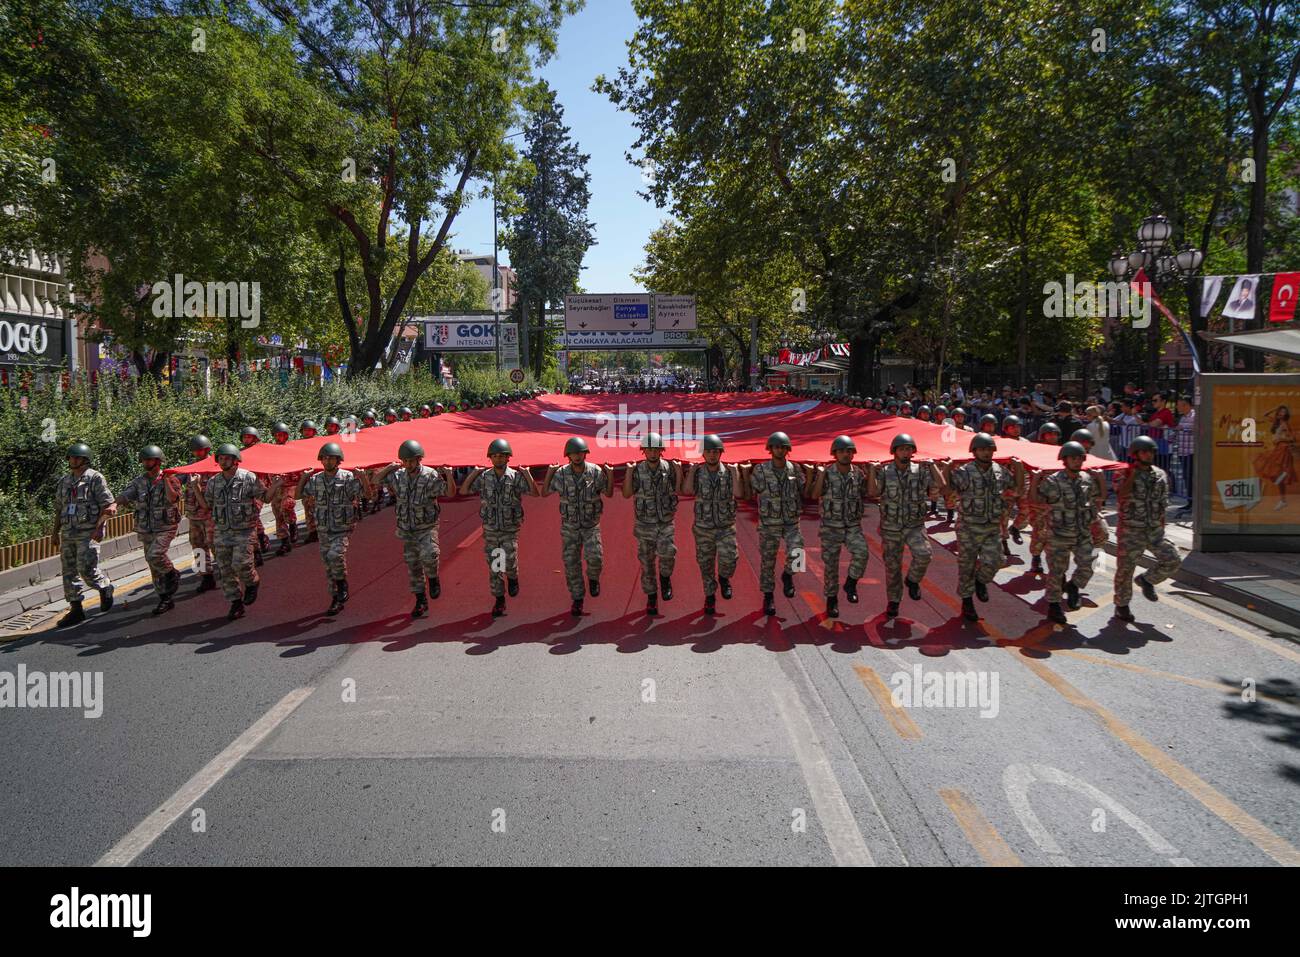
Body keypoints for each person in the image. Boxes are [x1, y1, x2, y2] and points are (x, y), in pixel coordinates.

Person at [940, 433, 1020, 622]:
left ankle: (981, 581)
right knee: (966, 566)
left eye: (989, 449)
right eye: (981, 449)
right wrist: (947, 469)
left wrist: (1018, 468)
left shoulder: (1000, 471)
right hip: (968, 527)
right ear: (974, 451)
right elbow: (945, 490)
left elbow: (1017, 489)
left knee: (997, 560)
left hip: (991, 526)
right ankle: (967, 602)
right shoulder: (964, 471)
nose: (986, 452)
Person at [459, 438, 539, 617]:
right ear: (490, 458)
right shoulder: (484, 477)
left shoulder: (516, 476)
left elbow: (534, 492)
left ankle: (512, 576)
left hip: (510, 528)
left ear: (508, 458)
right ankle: (499, 599)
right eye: (494, 456)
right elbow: (464, 490)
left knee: (509, 559)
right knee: (496, 564)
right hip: (491, 529)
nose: (498, 459)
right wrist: (474, 473)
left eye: (502, 456)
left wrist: (527, 474)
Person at [374, 440, 454, 619]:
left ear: (419, 459)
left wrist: (448, 476)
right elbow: (375, 480)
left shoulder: (430, 475)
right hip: (407, 529)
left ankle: (433, 578)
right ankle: (420, 600)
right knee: (413, 566)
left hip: (426, 526)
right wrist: (389, 468)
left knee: (430, 555)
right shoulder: (398, 475)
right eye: (405, 461)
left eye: (412, 460)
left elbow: (449, 493)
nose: (408, 464)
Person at [866, 433, 940, 619]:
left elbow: (939, 487)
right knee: (893, 567)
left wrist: (933, 467)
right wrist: (873, 471)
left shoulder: (920, 471)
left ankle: (913, 580)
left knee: (924, 554)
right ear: (894, 451)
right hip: (891, 527)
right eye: (902, 449)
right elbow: (873, 492)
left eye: (908, 449)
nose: (906, 452)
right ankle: (894, 601)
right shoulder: (884, 471)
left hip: (914, 524)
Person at [197, 443, 271, 621]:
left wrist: (275, 485)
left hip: (244, 531)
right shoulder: (214, 482)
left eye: (227, 458)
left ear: (236, 460)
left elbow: (265, 497)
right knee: (225, 570)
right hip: (222, 531)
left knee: (242, 565)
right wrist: (194, 488)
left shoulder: (248, 478)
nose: (223, 461)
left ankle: (252, 582)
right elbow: (206, 505)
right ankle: (235, 603)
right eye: (220, 458)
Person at [542, 437, 614, 617]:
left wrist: (610, 475)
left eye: (580, 452)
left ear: (585, 453)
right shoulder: (561, 474)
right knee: (571, 563)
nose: (577, 456)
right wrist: (549, 473)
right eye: (573, 453)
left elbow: (609, 492)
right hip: (570, 527)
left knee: (595, 558)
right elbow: (545, 492)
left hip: (591, 525)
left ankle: (593, 578)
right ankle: (577, 599)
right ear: (568, 455)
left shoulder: (595, 471)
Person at [1114, 435, 1182, 622]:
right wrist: (1133, 474)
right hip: (1131, 531)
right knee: (1125, 570)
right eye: (1144, 451)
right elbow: (1121, 495)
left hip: (1153, 530)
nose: (1149, 455)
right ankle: (1122, 605)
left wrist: (1161, 524)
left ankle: (1147, 580)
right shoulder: (1123, 473)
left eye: (1151, 451)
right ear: (1135, 454)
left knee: (1173, 559)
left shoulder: (1160, 475)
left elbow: (1163, 502)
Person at [1035, 441, 1101, 625]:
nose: (1077, 461)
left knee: (1090, 564)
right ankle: (1054, 605)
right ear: (1064, 460)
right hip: (1059, 535)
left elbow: (1097, 498)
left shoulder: (1087, 479)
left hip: (1082, 533)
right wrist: (1034, 480)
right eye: (1073, 458)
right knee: (1057, 571)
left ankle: (1074, 586)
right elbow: (1036, 499)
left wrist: (1100, 479)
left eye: (1080, 458)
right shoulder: (1052, 481)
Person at [52, 442, 115, 628]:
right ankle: (76, 609)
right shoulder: (64, 481)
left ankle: (104, 586)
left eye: (76, 457)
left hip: (88, 532)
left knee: (86, 568)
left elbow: (108, 505)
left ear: (85, 460)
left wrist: (99, 528)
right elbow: (59, 509)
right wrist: (54, 532)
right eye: (71, 457)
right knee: (68, 571)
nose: (72, 460)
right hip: (68, 532)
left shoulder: (95, 478)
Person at [299, 442, 366, 616]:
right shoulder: (316, 479)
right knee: (329, 565)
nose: (328, 461)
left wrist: (363, 477)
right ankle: (335, 598)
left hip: (342, 527)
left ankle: (342, 583)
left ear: (339, 460)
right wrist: (303, 478)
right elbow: (300, 494)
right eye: (325, 458)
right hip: (323, 529)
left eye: (331, 458)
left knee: (335, 555)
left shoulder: (348, 478)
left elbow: (367, 494)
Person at [807, 435, 869, 619]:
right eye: (841, 451)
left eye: (849, 451)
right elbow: (814, 494)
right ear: (835, 454)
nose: (845, 454)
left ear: (853, 454)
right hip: (831, 527)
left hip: (852, 526)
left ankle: (851, 583)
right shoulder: (826, 472)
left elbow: (869, 493)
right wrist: (820, 475)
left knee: (862, 553)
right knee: (831, 566)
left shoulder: (858, 473)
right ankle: (831, 599)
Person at [743, 431, 805, 617]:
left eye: (783, 447)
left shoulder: (795, 469)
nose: (779, 450)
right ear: (770, 450)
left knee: (798, 553)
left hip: (791, 521)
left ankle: (788, 575)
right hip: (769, 523)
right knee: (767, 562)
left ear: (788, 450)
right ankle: (768, 596)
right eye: (776, 447)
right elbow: (749, 493)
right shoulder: (761, 470)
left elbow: (804, 491)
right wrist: (745, 474)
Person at [116, 445, 183, 615]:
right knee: (153, 565)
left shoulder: (172, 479)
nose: (146, 463)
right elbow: (127, 495)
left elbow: (173, 499)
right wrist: (115, 503)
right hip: (146, 528)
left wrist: (167, 480)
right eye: (144, 460)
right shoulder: (139, 481)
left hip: (165, 526)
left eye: (150, 459)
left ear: (158, 461)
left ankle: (172, 573)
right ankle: (165, 598)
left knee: (155, 555)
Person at [679, 434, 741, 615]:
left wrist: (736, 474)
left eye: (715, 452)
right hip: (703, 528)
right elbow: (687, 491)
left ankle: (723, 578)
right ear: (703, 454)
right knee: (705, 564)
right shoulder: (697, 472)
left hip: (725, 527)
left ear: (720, 453)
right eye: (708, 452)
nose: (712, 455)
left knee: (730, 559)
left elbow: (739, 493)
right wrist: (690, 472)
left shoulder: (729, 471)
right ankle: (710, 597)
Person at [622, 432, 681, 616]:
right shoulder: (637, 470)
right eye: (649, 450)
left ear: (661, 451)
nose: (653, 453)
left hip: (665, 521)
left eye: (656, 450)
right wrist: (629, 472)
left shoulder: (669, 468)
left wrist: (678, 471)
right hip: (644, 523)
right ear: (644, 451)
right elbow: (626, 493)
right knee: (646, 563)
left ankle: (665, 578)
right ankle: (652, 597)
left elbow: (678, 489)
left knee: (669, 553)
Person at [1254, 405, 1293, 511]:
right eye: (1280, 412)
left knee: (1276, 474)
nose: (1281, 413)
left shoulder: (1285, 424)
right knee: (1270, 472)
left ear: (1286, 414)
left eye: (1284, 412)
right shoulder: (1276, 422)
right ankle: (1282, 500)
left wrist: (1280, 438)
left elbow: (1292, 438)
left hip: (1283, 450)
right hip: (1277, 449)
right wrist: (1275, 408)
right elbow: (1264, 415)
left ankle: (1282, 500)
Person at [268, 422, 298, 556]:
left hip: (290, 484)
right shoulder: (271, 450)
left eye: (282, 434)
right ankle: (284, 541)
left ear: (286, 435)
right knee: (277, 513)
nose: (279, 437)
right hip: (277, 486)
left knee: (287, 506)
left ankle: (292, 525)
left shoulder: (293, 449)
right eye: (277, 435)